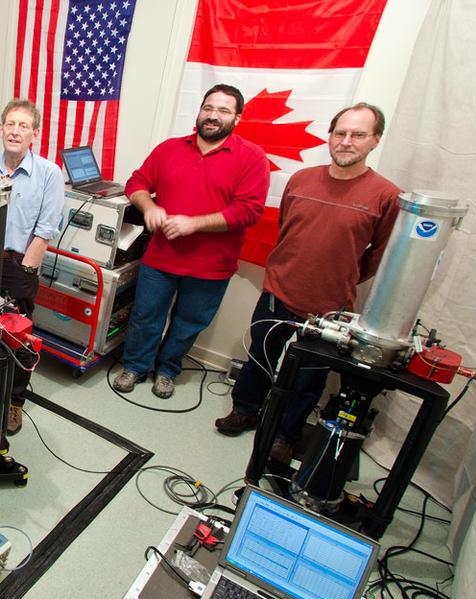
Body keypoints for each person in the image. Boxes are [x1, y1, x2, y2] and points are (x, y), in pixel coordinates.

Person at [214, 102, 402, 463]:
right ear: (330, 136)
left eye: (358, 135)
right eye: (340, 133)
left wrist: (339, 278)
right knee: (260, 357)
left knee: (309, 379)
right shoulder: (301, 180)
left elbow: (380, 254)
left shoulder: (386, 195)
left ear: (375, 140)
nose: (346, 141)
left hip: (331, 308)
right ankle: (246, 409)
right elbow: (289, 229)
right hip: (278, 291)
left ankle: (286, 435)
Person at [113, 84, 269, 399]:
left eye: (223, 110)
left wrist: (193, 224)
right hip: (161, 258)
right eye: (208, 108)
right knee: (145, 315)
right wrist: (150, 206)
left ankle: (168, 370)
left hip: (212, 265)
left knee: (188, 323)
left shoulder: (252, 157)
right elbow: (137, 182)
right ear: (199, 111)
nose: (213, 116)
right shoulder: (169, 148)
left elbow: (249, 210)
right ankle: (135, 366)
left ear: (237, 117)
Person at [0, 99, 65, 434]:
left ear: (34, 134)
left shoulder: (49, 174)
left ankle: (14, 401)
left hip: (19, 265)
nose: (15, 131)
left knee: (18, 337)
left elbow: (46, 229)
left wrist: (26, 270)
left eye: (23, 126)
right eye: (10, 124)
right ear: (1, 129)